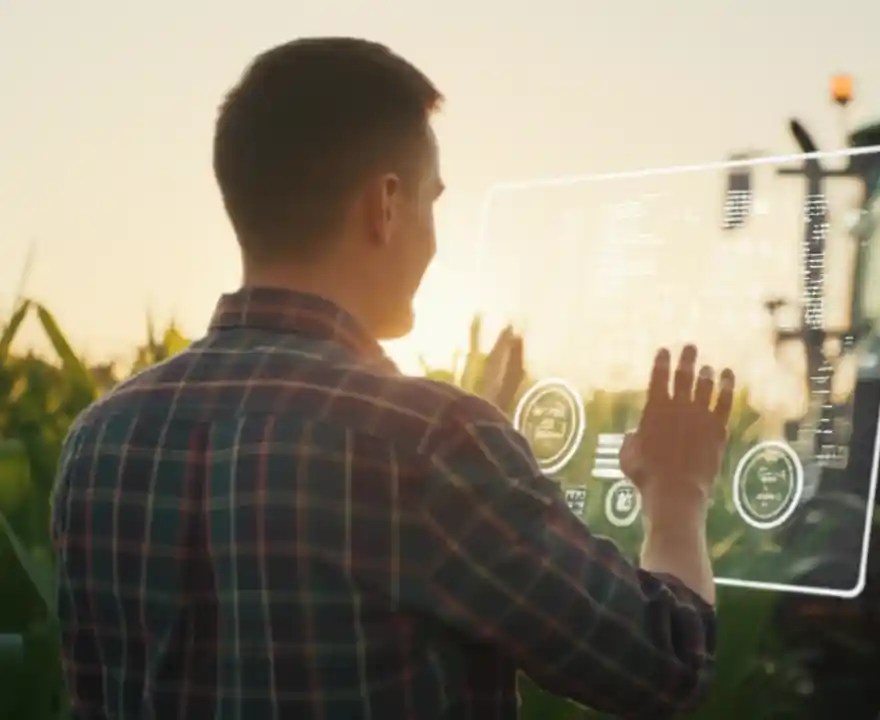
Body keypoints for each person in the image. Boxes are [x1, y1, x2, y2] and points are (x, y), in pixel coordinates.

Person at [50, 37, 735, 719]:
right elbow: (663, 663)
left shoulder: (99, 440)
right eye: (430, 202)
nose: (434, 237)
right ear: (385, 205)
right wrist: (679, 491)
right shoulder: (430, 445)